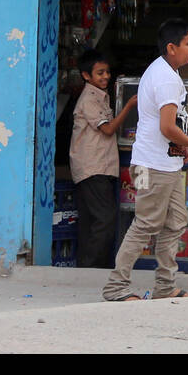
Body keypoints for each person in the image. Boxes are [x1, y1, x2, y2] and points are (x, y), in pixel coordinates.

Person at [103, 19, 188, 301]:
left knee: (175, 222)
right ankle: (116, 287)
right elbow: (167, 127)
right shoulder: (165, 78)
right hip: (152, 166)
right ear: (172, 48)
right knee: (147, 224)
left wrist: (180, 147)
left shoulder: (166, 72)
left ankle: (164, 286)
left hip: (165, 164)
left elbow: (168, 125)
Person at [70, 49, 137, 268]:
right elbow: (108, 129)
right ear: (86, 76)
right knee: (105, 220)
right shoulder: (89, 99)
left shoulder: (101, 96)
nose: (105, 76)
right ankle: (91, 267)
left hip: (101, 166)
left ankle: (87, 267)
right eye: (100, 73)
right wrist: (128, 106)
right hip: (92, 167)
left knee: (92, 221)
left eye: (107, 72)